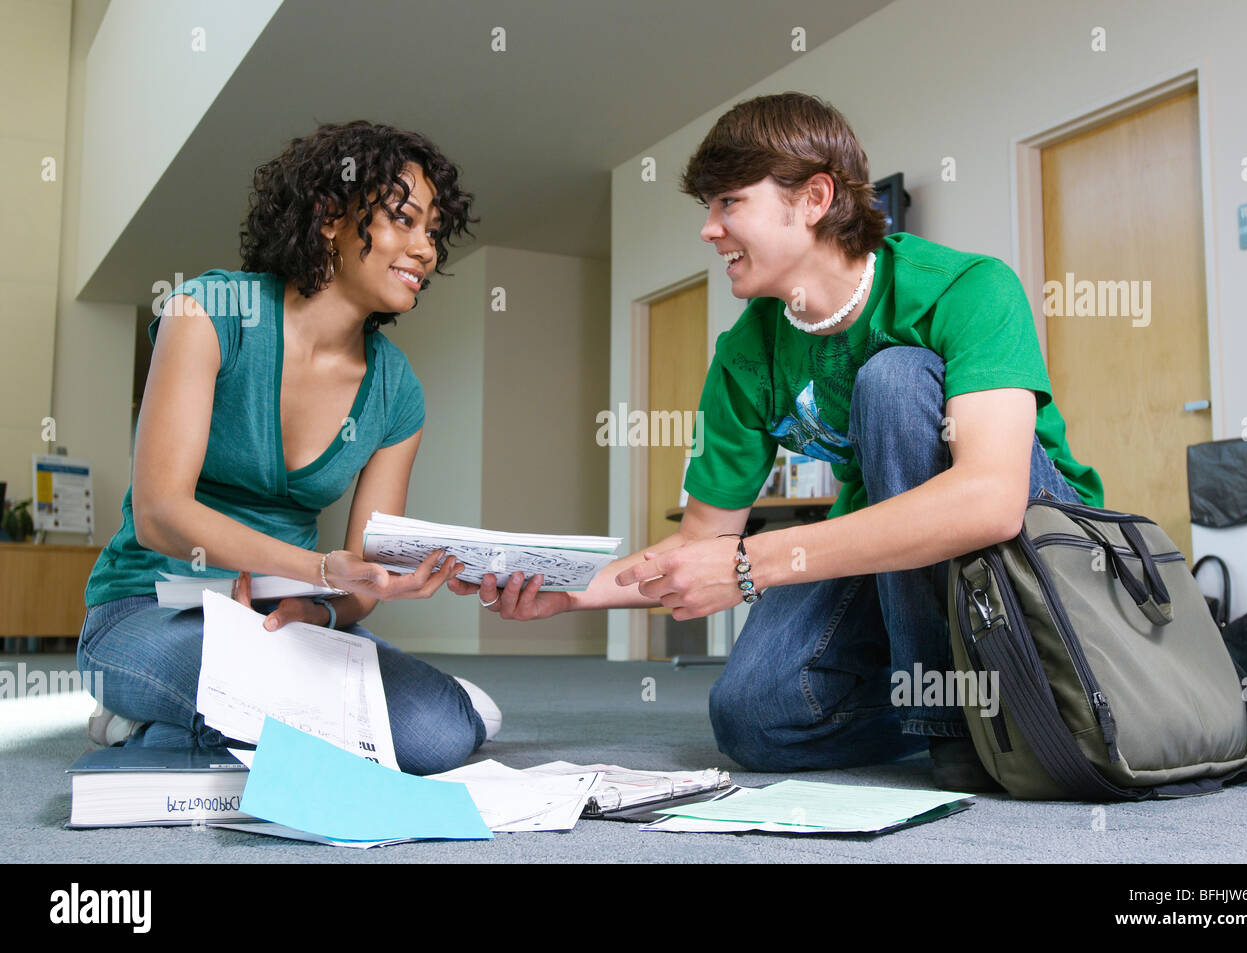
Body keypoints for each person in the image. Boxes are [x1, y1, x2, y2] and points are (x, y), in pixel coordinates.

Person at [451, 92, 1103, 791]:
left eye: (729, 202)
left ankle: (961, 732)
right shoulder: (746, 354)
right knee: (755, 717)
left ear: (814, 198)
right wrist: (570, 590)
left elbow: (991, 500)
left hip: (1038, 547)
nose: (708, 229)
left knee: (892, 380)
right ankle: (974, 704)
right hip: (888, 557)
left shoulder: (967, 288)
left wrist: (751, 564)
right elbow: (701, 542)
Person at [77, 121, 500, 775]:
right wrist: (321, 569)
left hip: (286, 618)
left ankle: (166, 730)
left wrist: (323, 605)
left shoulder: (397, 392)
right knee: (275, 699)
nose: (425, 250)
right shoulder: (208, 313)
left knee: (439, 734)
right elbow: (162, 513)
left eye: (433, 232)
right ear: (331, 215)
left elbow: (360, 576)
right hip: (149, 605)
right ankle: (158, 714)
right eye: (405, 220)